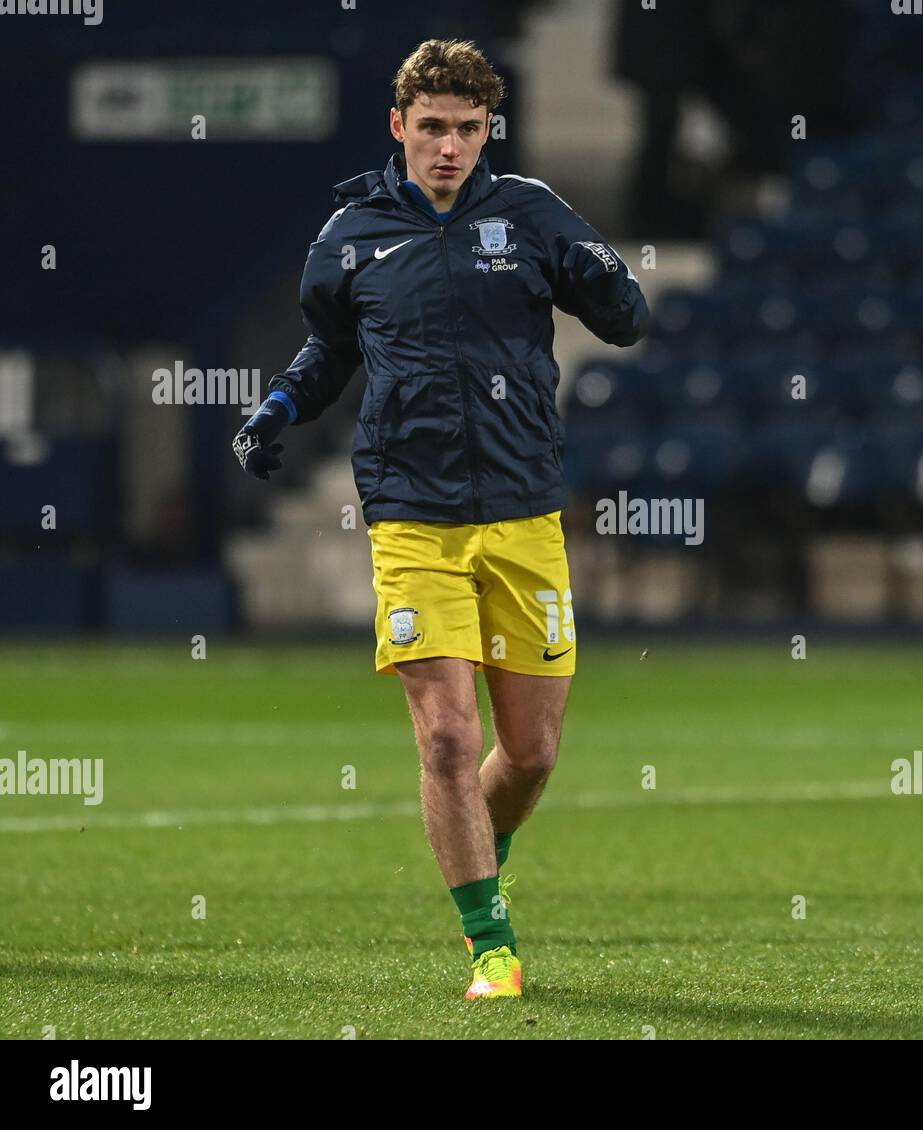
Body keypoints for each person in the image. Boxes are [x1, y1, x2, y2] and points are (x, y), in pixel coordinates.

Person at [232, 38, 649, 1000]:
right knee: (449, 742)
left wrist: (602, 278)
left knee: (532, 754)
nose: (450, 146)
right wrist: (280, 408)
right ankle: (489, 944)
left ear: (486, 129)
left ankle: (478, 851)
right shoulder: (349, 235)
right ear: (399, 127)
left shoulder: (531, 214)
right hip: (410, 513)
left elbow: (622, 316)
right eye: (433, 128)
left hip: (524, 510)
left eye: (467, 129)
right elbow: (330, 349)